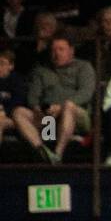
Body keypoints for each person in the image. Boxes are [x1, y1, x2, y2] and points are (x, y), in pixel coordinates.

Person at [13, 34, 94, 163]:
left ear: (71, 51)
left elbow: (86, 93)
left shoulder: (84, 67)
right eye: (53, 50)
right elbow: (33, 97)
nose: (56, 54)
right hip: (48, 119)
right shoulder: (41, 70)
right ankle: (42, 151)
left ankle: (58, 154)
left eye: (61, 49)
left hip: (76, 116)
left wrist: (60, 107)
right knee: (18, 112)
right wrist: (37, 109)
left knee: (69, 105)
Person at [0, 48, 25, 143]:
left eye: (2, 63)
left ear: (11, 66)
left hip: (11, 118)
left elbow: (19, 102)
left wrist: (4, 111)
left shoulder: (17, 80)